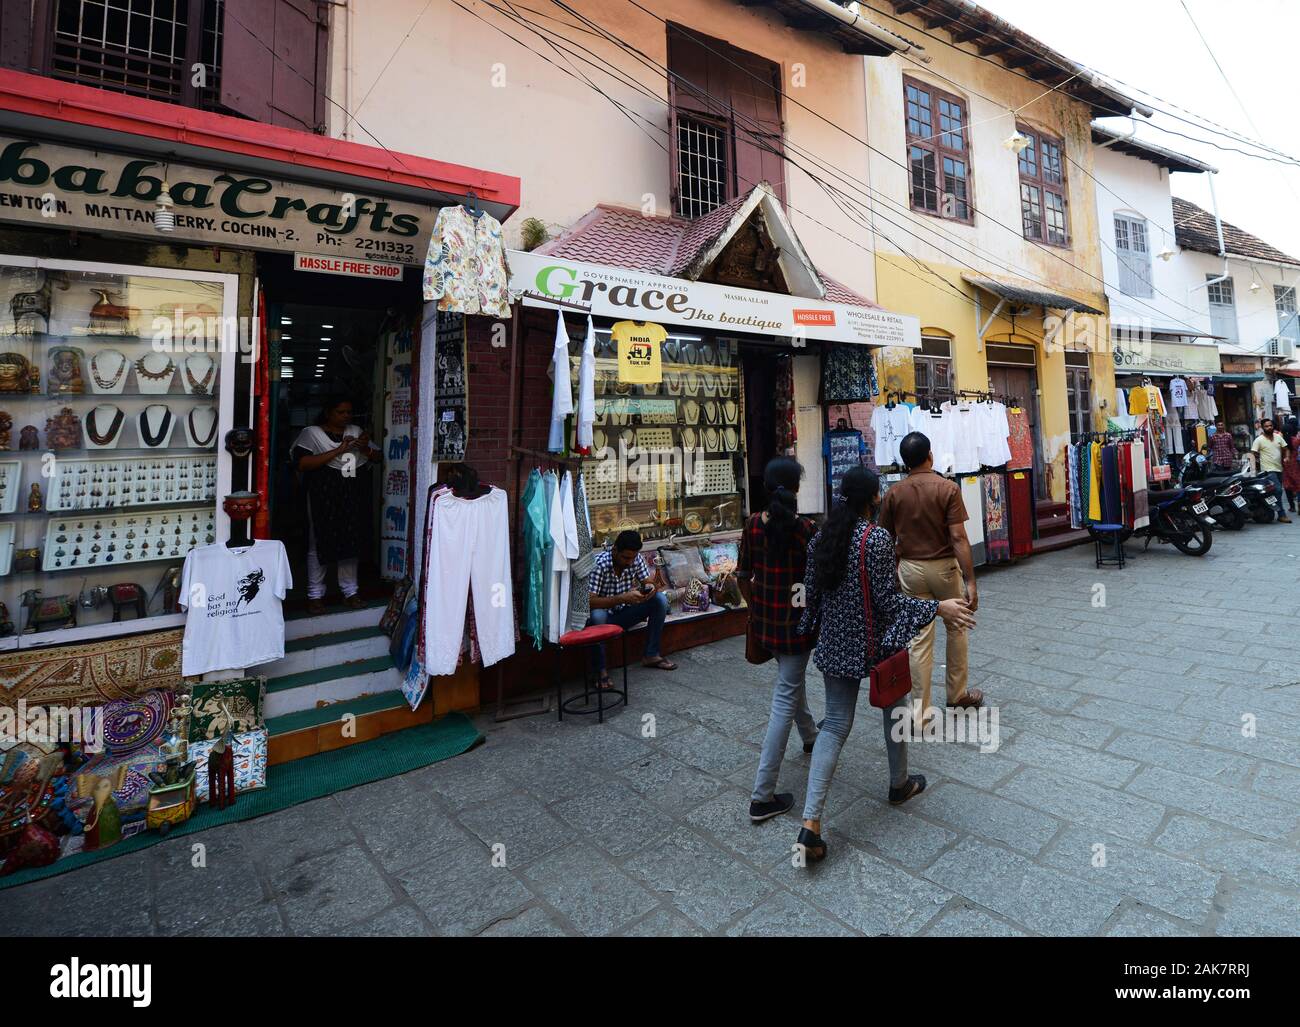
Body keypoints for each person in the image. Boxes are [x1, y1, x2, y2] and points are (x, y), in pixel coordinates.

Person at [795, 466, 975, 862]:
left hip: (836, 645)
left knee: (835, 726)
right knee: (893, 710)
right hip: (876, 645)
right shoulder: (874, 539)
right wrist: (937, 607)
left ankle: (810, 823)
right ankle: (898, 783)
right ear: (874, 498)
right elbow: (889, 604)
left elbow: (811, 594)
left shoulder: (821, 536)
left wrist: (807, 632)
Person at [878, 431, 982, 727]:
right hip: (946, 567)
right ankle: (957, 693)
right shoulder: (947, 488)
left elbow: (885, 538)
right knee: (957, 627)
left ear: (904, 461)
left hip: (911, 568)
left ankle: (920, 712)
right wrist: (971, 580)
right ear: (930, 456)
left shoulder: (894, 493)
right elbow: (958, 537)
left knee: (918, 637)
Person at [738, 458, 819, 823]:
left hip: (765, 625)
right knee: (784, 699)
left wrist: (755, 607)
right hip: (796, 627)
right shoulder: (806, 529)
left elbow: (743, 575)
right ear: (796, 488)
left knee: (790, 681)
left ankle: (811, 735)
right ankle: (762, 796)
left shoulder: (753, 523)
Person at [292, 395, 382, 614]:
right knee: (319, 543)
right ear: (328, 412)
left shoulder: (356, 432)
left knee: (350, 543)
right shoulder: (312, 433)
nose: (346, 416)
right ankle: (315, 595)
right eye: (340, 412)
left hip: (351, 494)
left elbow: (378, 457)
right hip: (323, 496)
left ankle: (350, 592)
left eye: (349, 412)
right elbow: (302, 463)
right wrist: (338, 450)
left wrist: (364, 448)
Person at [587, 530, 675, 687]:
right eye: (625, 557)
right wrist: (621, 598)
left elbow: (648, 582)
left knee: (659, 600)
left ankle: (651, 655)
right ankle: (599, 670)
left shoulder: (635, 559)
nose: (629, 562)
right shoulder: (599, 565)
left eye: (633, 558)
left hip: (623, 613)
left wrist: (649, 588)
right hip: (603, 619)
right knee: (597, 616)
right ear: (614, 550)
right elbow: (590, 602)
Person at [1251, 418, 1292, 524]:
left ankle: (1268, 509)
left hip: (1279, 468)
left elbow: (1286, 448)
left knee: (1273, 491)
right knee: (1278, 490)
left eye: (1270, 425)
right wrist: (1256, 464)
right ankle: (1281, 514)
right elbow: (1252, 453)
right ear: (1262, 427)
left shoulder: (1278, 437)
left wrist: (1287, 457)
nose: (1269, 427)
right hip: (1268, 470)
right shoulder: (1259, 439)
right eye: (1266, 426)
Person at [1282, 416, 1300, 514]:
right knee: (1298, 485)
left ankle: (1292, 507)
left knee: (1287, 486)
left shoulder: (1280, 442)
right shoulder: (1296, 441)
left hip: (1285, 466)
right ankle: (1299, 502)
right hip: (1296, 466)